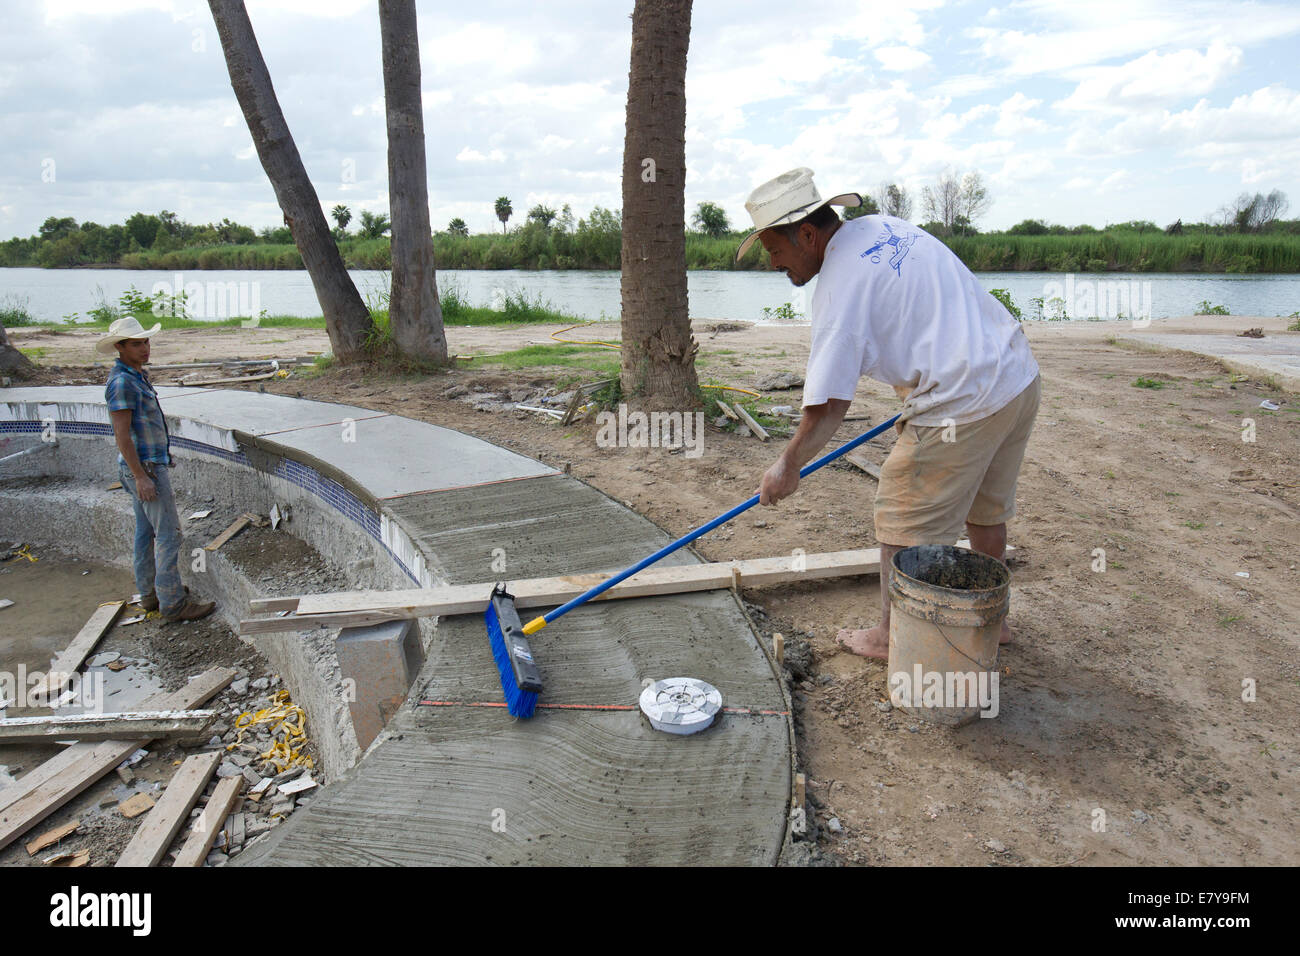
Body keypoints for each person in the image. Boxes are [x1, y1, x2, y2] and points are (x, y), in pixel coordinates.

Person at [746, 168, 1040, 659]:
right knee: (985, 509)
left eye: (775, 250)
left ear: (807, 234)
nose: (774, 264)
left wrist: (788, 465)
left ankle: (889, 635)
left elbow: (828, 407)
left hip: (963, 401)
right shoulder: (884, 228)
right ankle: (995, 623)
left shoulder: (839, 287)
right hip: (1016, 376)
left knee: (901, 510)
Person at [100, 317, 216, 623]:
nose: (144, 348)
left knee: (145, 532)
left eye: (145, 342)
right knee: (169, 534)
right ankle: (173, 604)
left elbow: (146, 428)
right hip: (144, 470)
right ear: (120, 347)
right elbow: (122, 435)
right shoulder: (123, 382)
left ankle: (152, 595)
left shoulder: (136, 376)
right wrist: (141, 476)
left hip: (147, 465)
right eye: (136, 344)